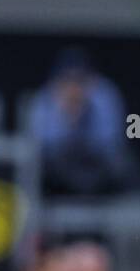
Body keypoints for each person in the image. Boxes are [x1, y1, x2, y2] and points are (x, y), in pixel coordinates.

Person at [29, 48, 130, 197]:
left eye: (80, 80)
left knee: (121, 164)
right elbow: (39, 146)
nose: (74, 88)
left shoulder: (104, 94)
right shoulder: (43, 100)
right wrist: (66, 120)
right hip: (58, 175)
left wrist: (84, 115)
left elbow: (113, 143)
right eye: (68, 80)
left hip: (99, 171)